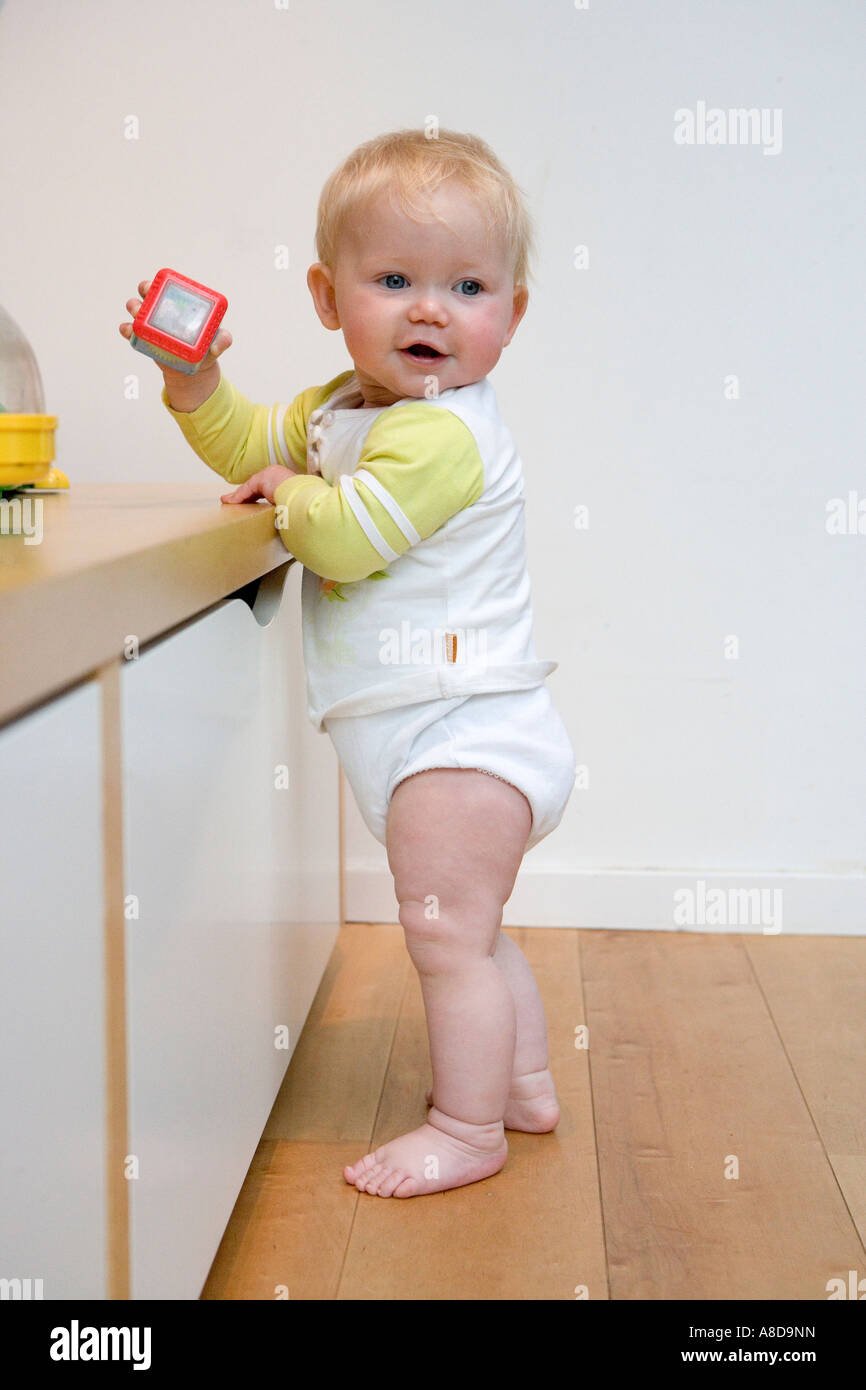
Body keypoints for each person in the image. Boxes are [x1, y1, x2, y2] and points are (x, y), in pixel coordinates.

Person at [119, 128, 576, 1198]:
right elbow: (249, 442)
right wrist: (197, 382)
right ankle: (522, 1079)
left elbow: (337, 537)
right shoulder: (344, 406)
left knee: (442, 943)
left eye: (467, 285)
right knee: (467, 931)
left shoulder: (441, 437)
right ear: (330, 297)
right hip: (431, 733)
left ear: (510, 314)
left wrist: (290, 492)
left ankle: (466, 1128)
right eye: (394, 279)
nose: (429, 308)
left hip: (461, 733)